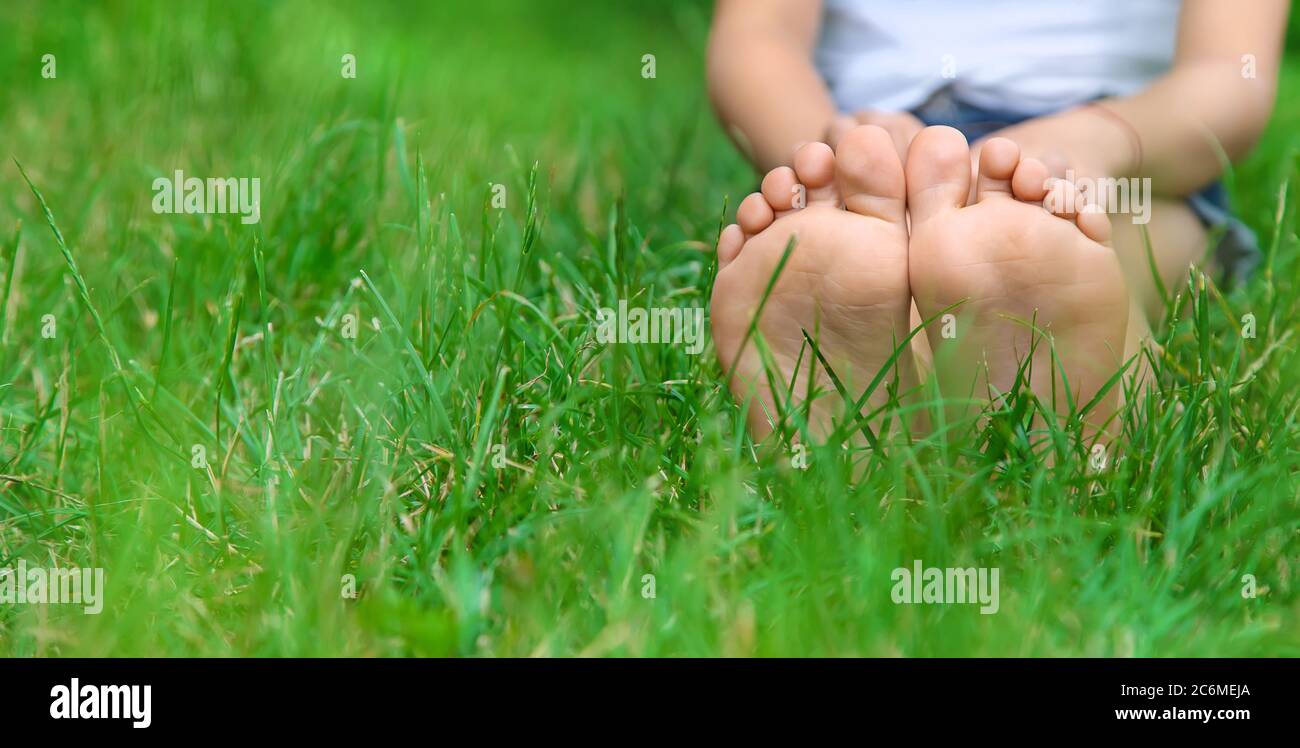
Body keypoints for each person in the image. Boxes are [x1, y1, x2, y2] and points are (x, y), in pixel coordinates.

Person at [706, 0, 1288, 439]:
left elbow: (1228, 76)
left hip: (1130, 152)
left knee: (1092, 243)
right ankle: (1053, 407)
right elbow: (757, 42)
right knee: (874, 252)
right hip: (881, 142)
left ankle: (867, 410)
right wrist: (834, 155)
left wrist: (1099, 138)